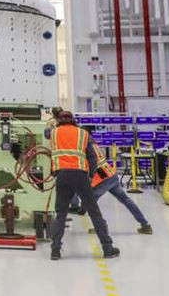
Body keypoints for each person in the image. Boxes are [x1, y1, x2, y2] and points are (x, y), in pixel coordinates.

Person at [46, 110, 119, 261]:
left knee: (60, 214)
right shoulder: (83, 134)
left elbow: (50, 144)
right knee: (94, 212)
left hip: (62, 176)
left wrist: (54, 173)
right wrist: (90, 175)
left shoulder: (54, 133)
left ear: (59, 120)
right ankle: (107, 248)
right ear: (73, 120)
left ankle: (55, 250)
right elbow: (92, 158)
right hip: (80, 176)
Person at [89, 141, 152, 235]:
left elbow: (92, 165)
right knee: (125, 199)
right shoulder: (93, 144)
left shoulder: (86, 146)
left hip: (103, 178)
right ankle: (145, 225)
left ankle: (100, 226)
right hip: (111, 174)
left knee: (90, 202)